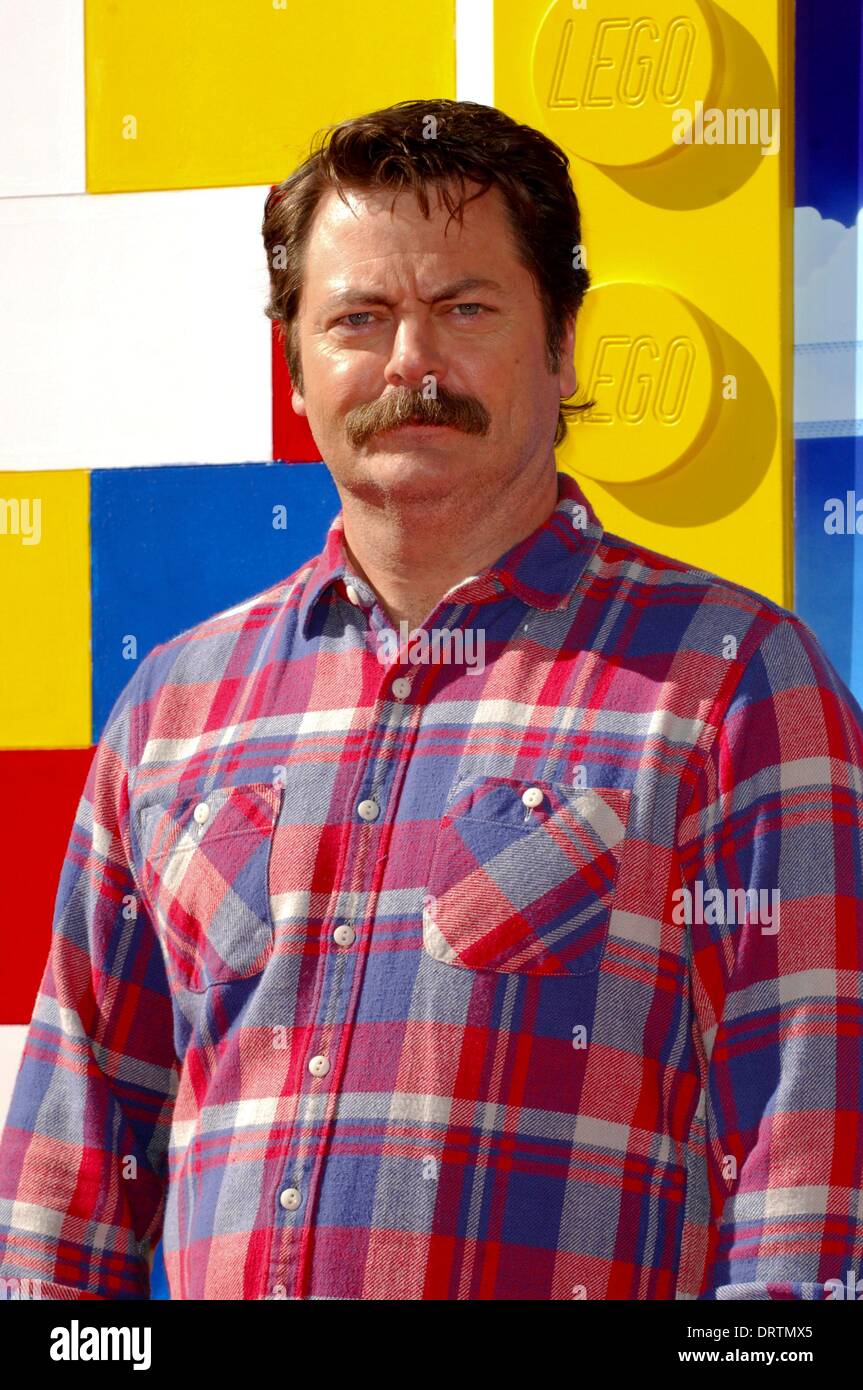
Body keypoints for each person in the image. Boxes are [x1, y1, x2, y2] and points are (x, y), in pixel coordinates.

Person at [1, 98, 861, 1301]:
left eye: (463, 308)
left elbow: (811, 1170)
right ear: (296, 369)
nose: (410, 361)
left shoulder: (730, 681)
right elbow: (62, 1190)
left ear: (562, 350)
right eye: (358, 318)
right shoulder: (171, 712)